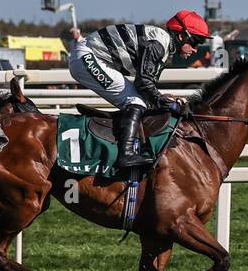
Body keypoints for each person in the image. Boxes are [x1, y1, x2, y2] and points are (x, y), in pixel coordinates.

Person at [67, 11, 211, 168]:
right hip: (87, 57)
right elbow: (143, 83)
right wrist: (169, 104)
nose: (196, 50)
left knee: (143, 102)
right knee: (136, 101)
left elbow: (148, 87)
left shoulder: (164, 45)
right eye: (196, 42)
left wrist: (165, 99)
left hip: (93, 57)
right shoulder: (158, 44)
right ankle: (126, 153)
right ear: (182, 36)